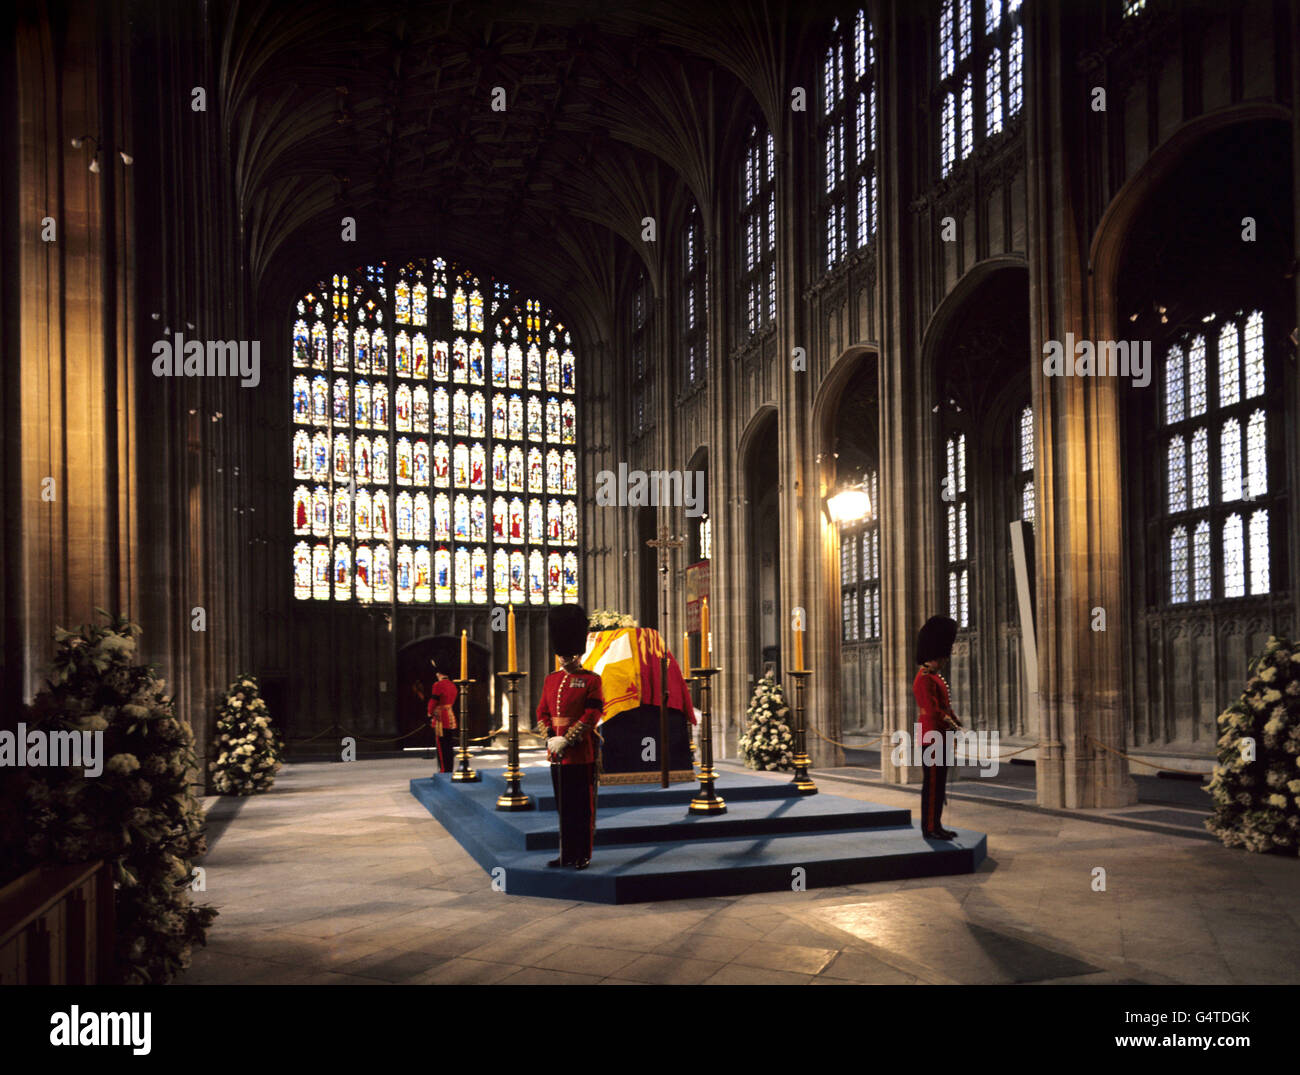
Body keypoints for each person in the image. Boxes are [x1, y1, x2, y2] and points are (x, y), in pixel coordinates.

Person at [535, 604, 603, 869]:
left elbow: (593, 713)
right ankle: (566, 852)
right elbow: (542, 711)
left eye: (568, 654)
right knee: (563, 808)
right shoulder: (551, 680)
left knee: (582, 808)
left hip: (580, 752)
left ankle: (583, 853)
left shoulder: (591, 680)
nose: (564, 659)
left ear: (577, 652)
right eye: (562, 654)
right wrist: (551, 737)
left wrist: (568, 739)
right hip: (557, 754)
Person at [913, 615, 962, 840]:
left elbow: (943, 706)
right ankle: (930, 828)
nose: (945, 659)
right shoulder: (924, 677)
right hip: (932, 738)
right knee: (932, 786)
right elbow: (933, 711)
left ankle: (936, 824)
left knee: (939, 785)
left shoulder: (934, 676)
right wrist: (951, 724)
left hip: (939, 737)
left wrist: (956, 722)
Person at [428, 661, 459, 774]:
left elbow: (433, 701)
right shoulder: (453, 685)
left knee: (441, 746)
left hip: (441, 718)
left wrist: (430, 713)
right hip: (450, 716)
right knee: (449, 745)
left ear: (439, 674)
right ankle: (449, 768)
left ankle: (443, 770)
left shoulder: (438, 685)